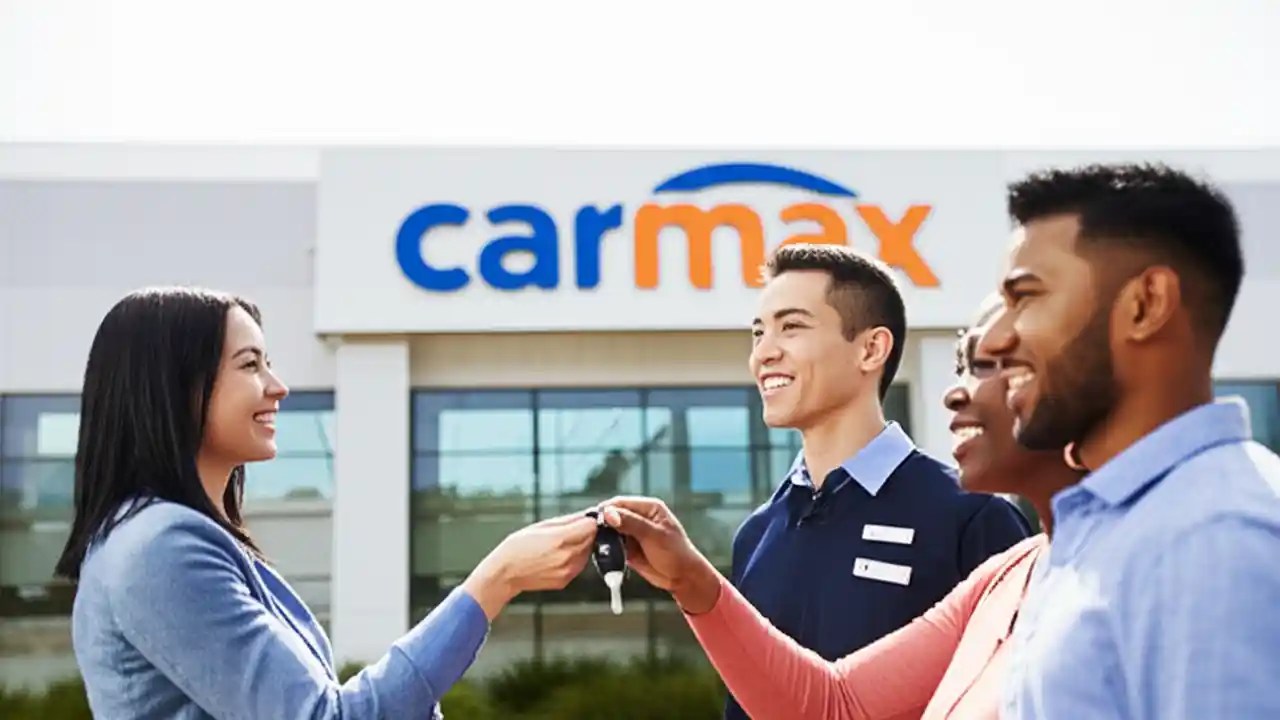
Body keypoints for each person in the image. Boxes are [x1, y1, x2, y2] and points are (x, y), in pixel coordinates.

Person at [53, 287, 598, 719]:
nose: (278, 386)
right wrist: (497, 579)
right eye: (250, 365)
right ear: (177, 387)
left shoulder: (160, 537)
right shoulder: (161, 548)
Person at [592, 295, 1081, 719]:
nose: (955, 394)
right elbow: (832, 706)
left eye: (1004, 364)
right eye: (966, 365)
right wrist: (689, 578)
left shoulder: (985, 523)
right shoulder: (1008, 575)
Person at [979, 162, 1280, 719]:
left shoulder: (1215, 540)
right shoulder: (1108, 527)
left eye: (1026, 297)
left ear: (1146, 304)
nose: (997, 339)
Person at [725, 244, 1030, 718]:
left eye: (792, 327)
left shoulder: (972, 518)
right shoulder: (755, 537)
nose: (764, 353)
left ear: (870, 349)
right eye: (758, 333)